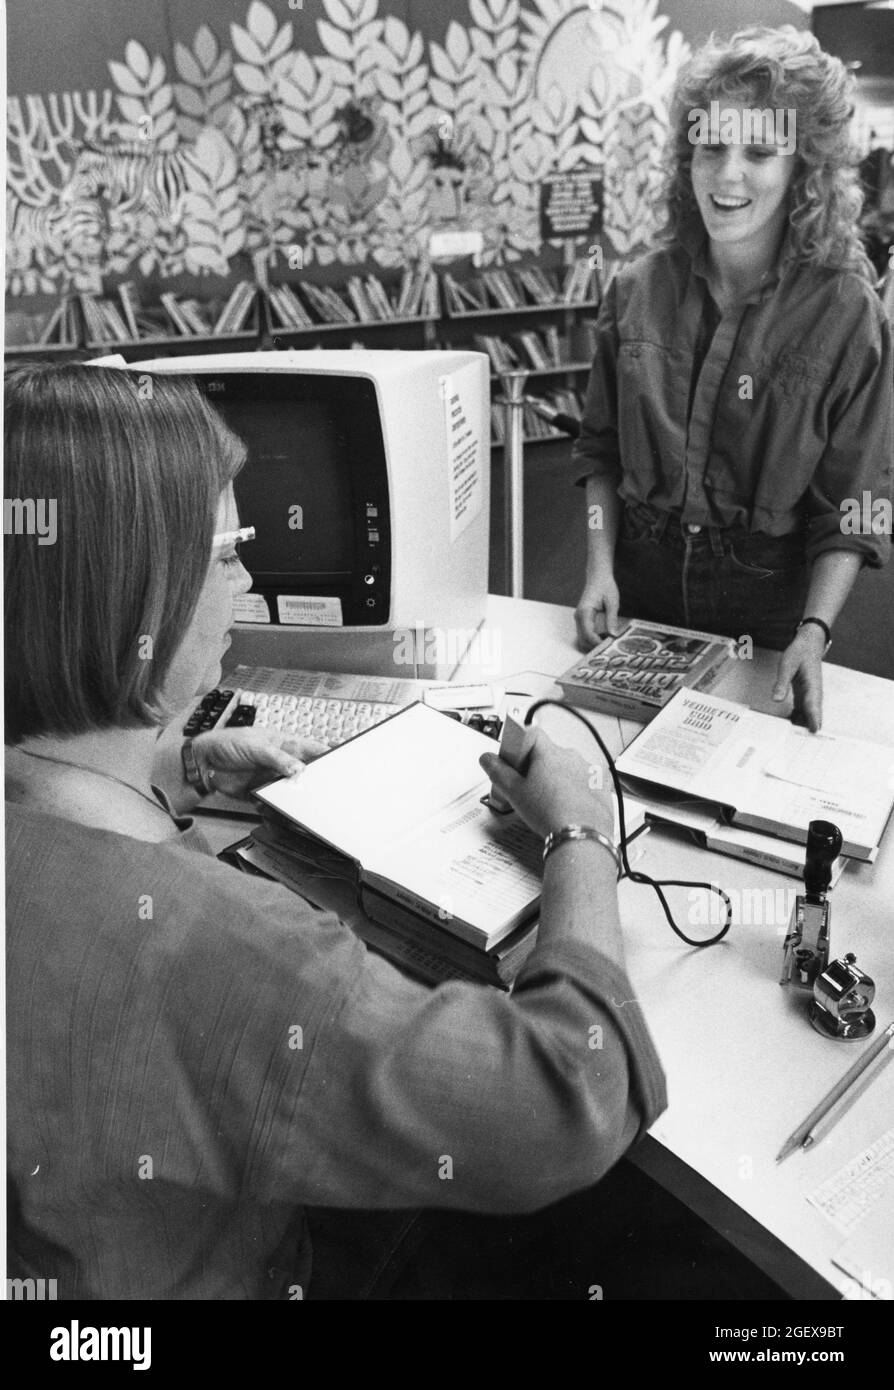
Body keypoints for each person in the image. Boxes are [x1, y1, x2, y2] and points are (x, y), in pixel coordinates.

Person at [5, 361, 666, 1300]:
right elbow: (570, 1098)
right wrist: (583, 837)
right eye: (227, 550)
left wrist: (179, 765)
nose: (248, 579)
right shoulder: (226, 948)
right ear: (137, 596)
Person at [574, 26, 893, 732]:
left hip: (769, 601)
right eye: (711, 146)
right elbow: (598, 451)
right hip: (640, 585)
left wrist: (816, 630)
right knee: (624, 778)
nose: (727, 175)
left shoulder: (845, 311)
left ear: (803, 166)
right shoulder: (634, 289)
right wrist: (598, 567)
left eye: (759, 149)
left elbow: (856, 503)